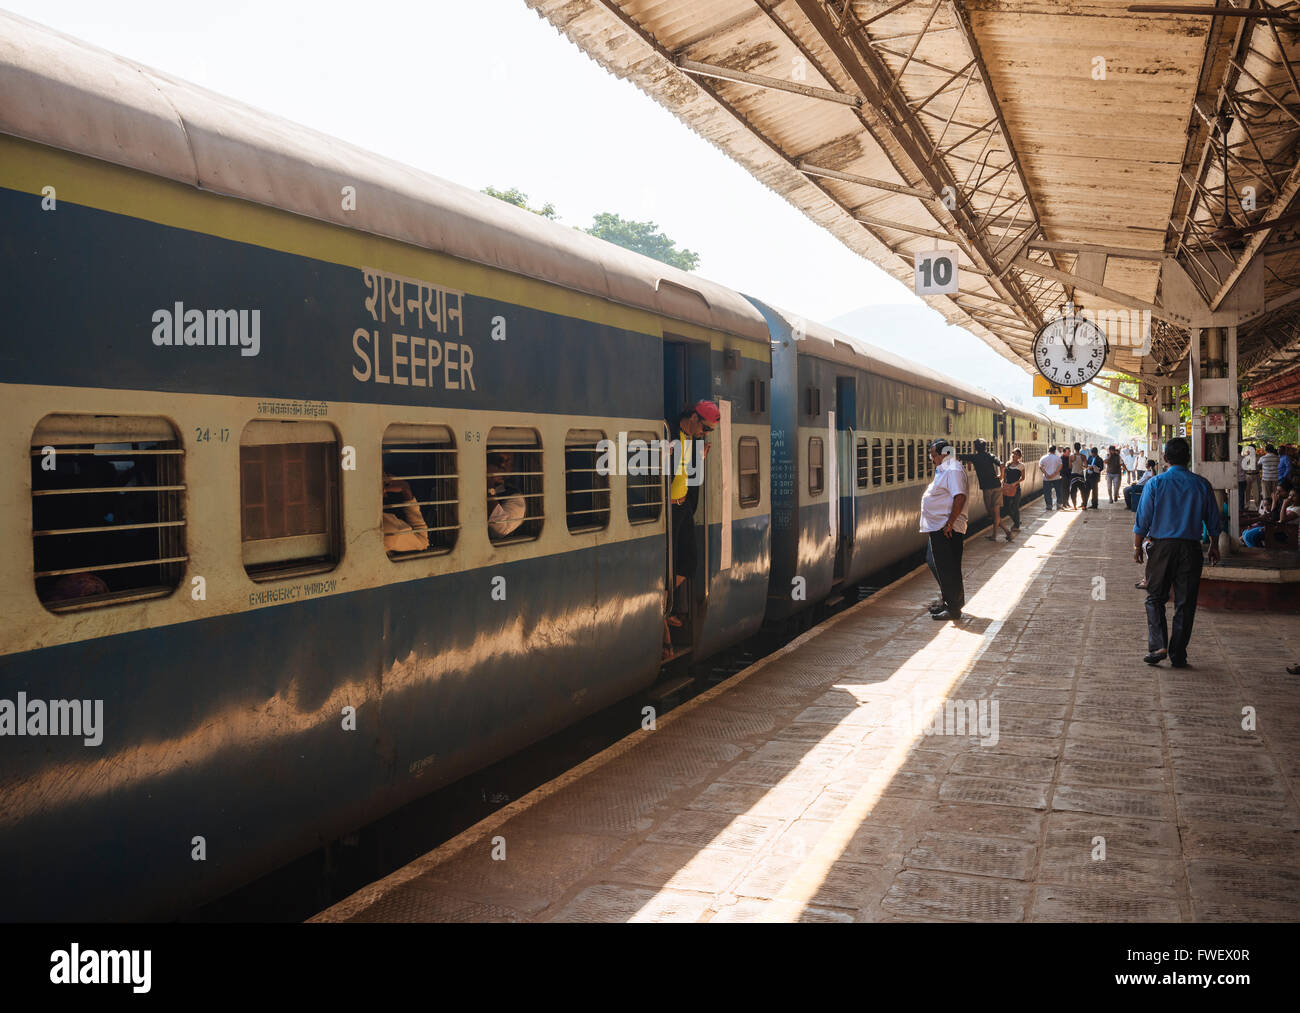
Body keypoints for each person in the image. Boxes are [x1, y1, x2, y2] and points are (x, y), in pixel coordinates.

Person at [1133, 437, 1221, 667]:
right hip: (1190, 549)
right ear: (1189, 457)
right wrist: (1214, 545)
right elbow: (1213, 520)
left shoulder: (1155, 483)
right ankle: (1178, 654)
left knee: (1154, 598)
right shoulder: (1201, 484)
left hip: (1162, 547)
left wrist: (1137, 547)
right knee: (1185, 602)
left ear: (1165, 458)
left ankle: (1158, 644)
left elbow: (1142, 520)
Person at [665, 400, 719, 651]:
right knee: (673, 560)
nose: (705, 434)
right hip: (670, 508)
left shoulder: (691, 441)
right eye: (705, 429)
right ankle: (665, 607)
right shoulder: (670, 433)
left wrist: (700, 458)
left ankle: (666, 602)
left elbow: (687, 471)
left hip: (684, 505)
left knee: (689, 561)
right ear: (695, 418)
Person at [922, 439, 969, 621]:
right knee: (939, 563)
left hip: (947, 527)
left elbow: (959, 497)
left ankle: (953, 608)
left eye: (934, 455)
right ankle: (950, 601)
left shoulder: (953, 470)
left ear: (944, 454)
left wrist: (950, 523)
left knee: (947, 566)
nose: (932, 458)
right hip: (940, 526)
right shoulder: (945, 469)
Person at [963, 438, 1012, 542]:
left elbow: (959, 456)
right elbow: (1002, 464)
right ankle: (997, 534)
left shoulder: (974, 457)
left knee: (992, 513)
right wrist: (1001, 476)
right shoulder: (990, 455)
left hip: (987, 488)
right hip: (997, 486)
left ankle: (1006, 532)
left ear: (975, 447)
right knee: (996, 513)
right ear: (985, 447)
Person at [382, 471, 429, 553]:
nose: (388, 476)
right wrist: (406, 490)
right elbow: (423, 541)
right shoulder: (390, 531)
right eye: (383, 473)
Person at [487, 452, 526, 540]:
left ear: (511, 469)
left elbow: (501, 529)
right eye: (497, 460)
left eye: (507, 461)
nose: (502, 465)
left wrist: (489, 487)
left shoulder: (514, 497)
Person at [1002, 448, 1025, 531]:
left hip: (1016, 488)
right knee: (1007, 508)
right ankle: (1017, 521)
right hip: (1007, 488)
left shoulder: (1021, 465)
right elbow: (1003, 476)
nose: (1014, 455)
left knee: (1015, 507)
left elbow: (1023, 478)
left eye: (1015, 454)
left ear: (1019, 456)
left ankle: (1016, 525)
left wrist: (1015, 483)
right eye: (1013, 454)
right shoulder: (1008, 464)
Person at [1039, 445, 1063, 510]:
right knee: (1058, 491)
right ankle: (1059, 504)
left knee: (1047, 492)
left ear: (1048, 450)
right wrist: (1054, 474)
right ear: (1055, 451)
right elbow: (1060, 466)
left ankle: (1049, 505)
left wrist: (1046, 474)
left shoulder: (1043, 458)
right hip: (1056, 478)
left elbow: (1040, 466)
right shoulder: (1057, 458)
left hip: (1046, 478)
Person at [1260, 444, 1280, 511]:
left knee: (1266, 495)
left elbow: (1258, 463)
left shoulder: (1263, 458)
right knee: (1275, 495)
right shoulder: (1277, 458)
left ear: (1266, 450)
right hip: (1275, 478)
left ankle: (1266, 510)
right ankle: (1275, 509)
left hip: (1266, 478)